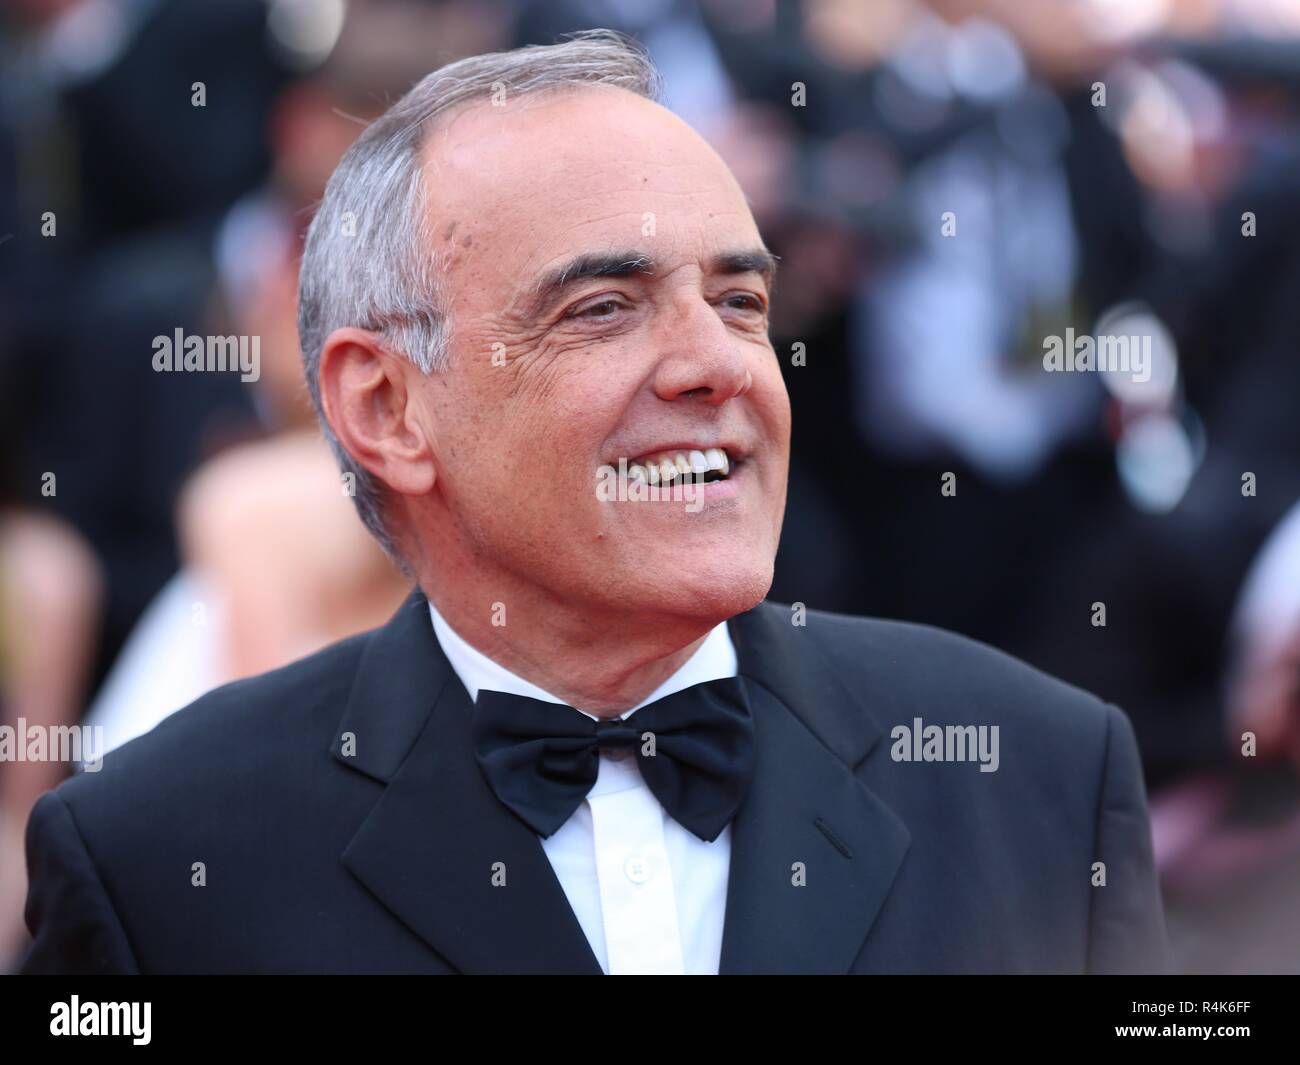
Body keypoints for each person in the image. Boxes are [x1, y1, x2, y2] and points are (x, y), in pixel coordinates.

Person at [20, 30, 1167, 975]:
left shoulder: (1041, 773)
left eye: (738, 301)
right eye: (604, 310)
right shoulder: (154, 861)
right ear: (386, 408)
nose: (713, 366)